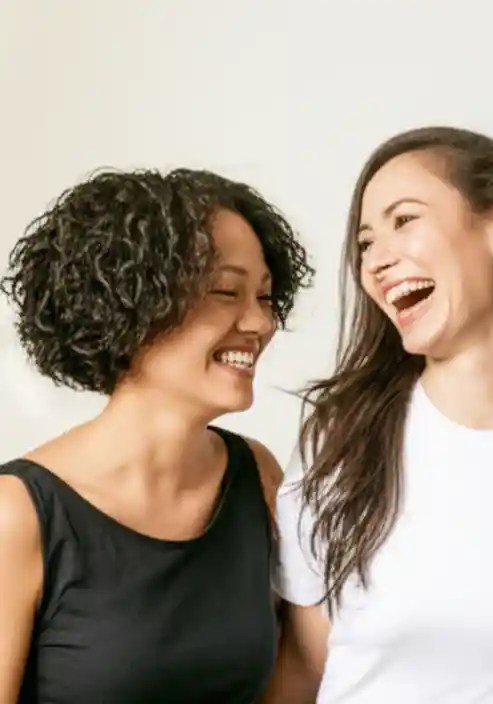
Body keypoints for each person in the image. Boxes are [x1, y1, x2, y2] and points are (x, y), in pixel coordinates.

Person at [266, 126, 493, 703]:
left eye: (404, 220)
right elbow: (305, 666)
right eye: (365, 243)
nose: (377, 261)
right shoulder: (340, 437)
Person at [0, 168, 314, 702]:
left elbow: (296, 672)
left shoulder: (256, 476)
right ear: (132, 305)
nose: (260, 323)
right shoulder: (18, 514)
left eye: (264, 297)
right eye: (226, 291)